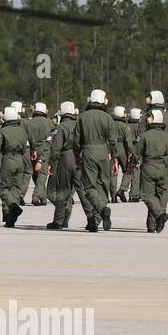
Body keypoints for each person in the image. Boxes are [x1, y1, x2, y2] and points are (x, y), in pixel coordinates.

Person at [72, 89, 115, 232]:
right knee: (102, 185)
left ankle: (102, 210)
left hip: (88, 151)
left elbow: (77, 140)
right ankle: (96, 221)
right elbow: (113, 140)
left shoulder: (82, 117)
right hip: (104, 151)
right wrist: (114, 158)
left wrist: (77, 155)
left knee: (89, 187)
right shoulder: (108, 118)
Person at [139, 108, 168, 233]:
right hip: (164, 168)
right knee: (161, 195)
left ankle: (160, 215)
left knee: (147, 195)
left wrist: (132, 165)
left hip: (149, 167)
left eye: (149, 117)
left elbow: (136, 153)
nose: (147, 119)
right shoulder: (167, 136)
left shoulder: (144, 136)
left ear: (154, 119)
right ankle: (152, 225)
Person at [46, 101, 79, 230]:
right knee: (80, 191)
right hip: (78, 160)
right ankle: (93, 217)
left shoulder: (60, 128)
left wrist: (51, 164)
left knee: (59, 192)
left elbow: (55, 149)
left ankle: (60, 218)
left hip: (63, 160)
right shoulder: (79, 125)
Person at [0, 106, 32, 227]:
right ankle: (11, 220)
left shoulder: (2, 131)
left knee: (2, 189)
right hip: (20, 160)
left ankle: (13, 206)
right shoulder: (22, 131)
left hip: (8, 160)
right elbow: (25, 147)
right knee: (16, 189)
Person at [145, 90, 168, 202]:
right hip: (167, 151)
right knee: (167, 171)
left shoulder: (147, 117)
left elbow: (141, 135)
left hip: (150, 153)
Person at [27, 101, 53, 206]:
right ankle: (37, 196)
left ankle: (43, 197)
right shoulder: (49, 123)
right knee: (42, 176)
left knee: (35, 175)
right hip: (44, 151)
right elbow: (51, 140)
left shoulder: (30, 122)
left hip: (32, 151)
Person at [109, 105, 131, 204]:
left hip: (112, 148)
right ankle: (122, 189)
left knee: (113, 172)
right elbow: (128, 141)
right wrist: (131, 152)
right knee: (128, 170)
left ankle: (113, 197)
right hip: (122, 148)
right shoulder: (125, 126)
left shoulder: (110, 124)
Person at [126, 107, 144, 201]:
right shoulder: (139, 126)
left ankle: (129, 192)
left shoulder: (127, 125)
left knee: (129, 171)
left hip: (128, 149)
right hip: (137, 149)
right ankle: (135, 194)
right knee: (137, 172)